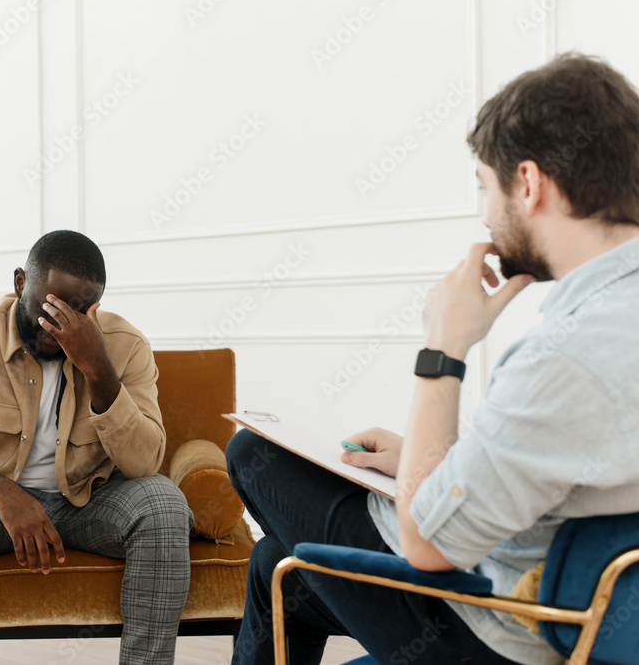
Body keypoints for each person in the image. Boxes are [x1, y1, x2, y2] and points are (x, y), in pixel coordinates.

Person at [227, 53, 639, 665]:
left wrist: (443, 347)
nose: (486, 214)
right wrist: (429, 461)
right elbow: (563, 459)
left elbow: (427, 545)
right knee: (273, 568)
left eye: (486, 187)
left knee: (253, 454)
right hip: (586, 603)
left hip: (506, 628)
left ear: (529, 183)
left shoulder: (563, 358)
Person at [0, 230, 194, 665]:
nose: (58, 327)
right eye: (50, 307)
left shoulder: (127, 346)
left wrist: (98, 368)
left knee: (164, 504)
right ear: (20, 283)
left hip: (90, 502)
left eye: (79, 311)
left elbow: (145, 463)